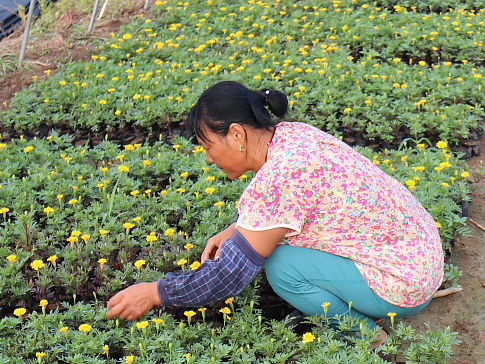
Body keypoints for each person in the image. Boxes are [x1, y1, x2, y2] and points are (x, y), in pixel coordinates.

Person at [106, 81, 445, 339]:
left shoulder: (279, 178)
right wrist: (236, 230)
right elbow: (291, 204)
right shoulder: (291, 136)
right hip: (421, 253)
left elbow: (227, 277)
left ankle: (368, 337)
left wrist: (155, 293)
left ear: (237, 135)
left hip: (404, 284)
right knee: (275, 246)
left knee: (282, 268)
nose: (208, 158)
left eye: (208, 146)